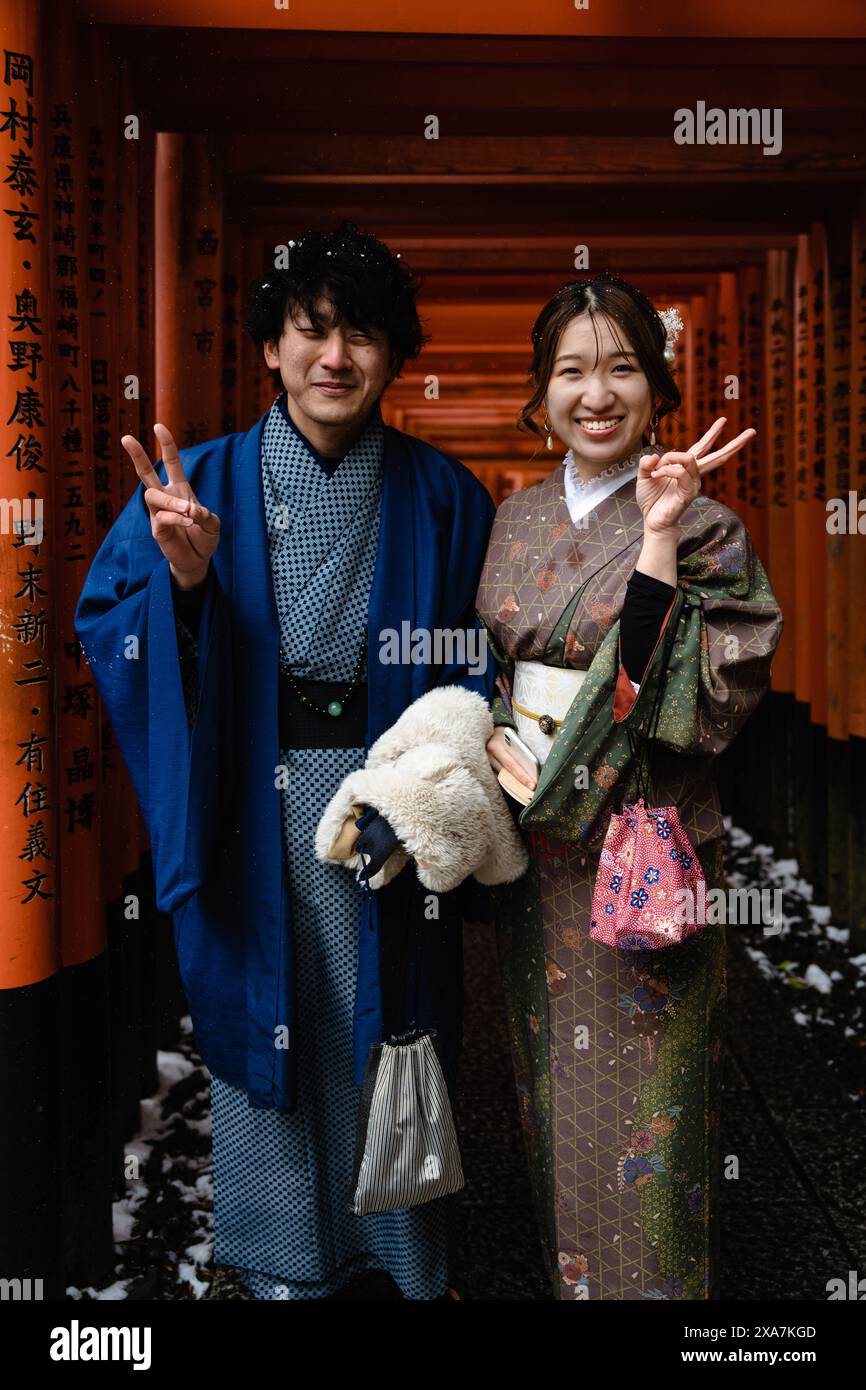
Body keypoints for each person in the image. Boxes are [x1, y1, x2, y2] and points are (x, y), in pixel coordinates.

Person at [74, 223, 508, 1301]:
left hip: (385, 804)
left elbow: (477, 655)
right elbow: (107, 624)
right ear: (269, 346)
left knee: (390, 1028)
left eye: (361, 333)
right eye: (311, 330)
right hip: (250, 802)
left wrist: (424, 789)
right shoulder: (198, 483)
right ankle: (279, 1268)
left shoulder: (445, 495)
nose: (334, 357)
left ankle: (403, 1262)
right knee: (274, 1032)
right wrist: (183, 587)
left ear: (392, 354)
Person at [475, 273, 784, 1301]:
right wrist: (489, 747)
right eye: (569, 370)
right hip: (537, 852)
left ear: (654, 387)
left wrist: (655, 535)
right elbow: (492, 665)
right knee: (551, 1104)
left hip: (641, 849)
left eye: (619, 368)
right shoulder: (513, 517)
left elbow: (688, 693)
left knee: (648, 1119)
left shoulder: (706, 528)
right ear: (540, 391)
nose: (593, 392)